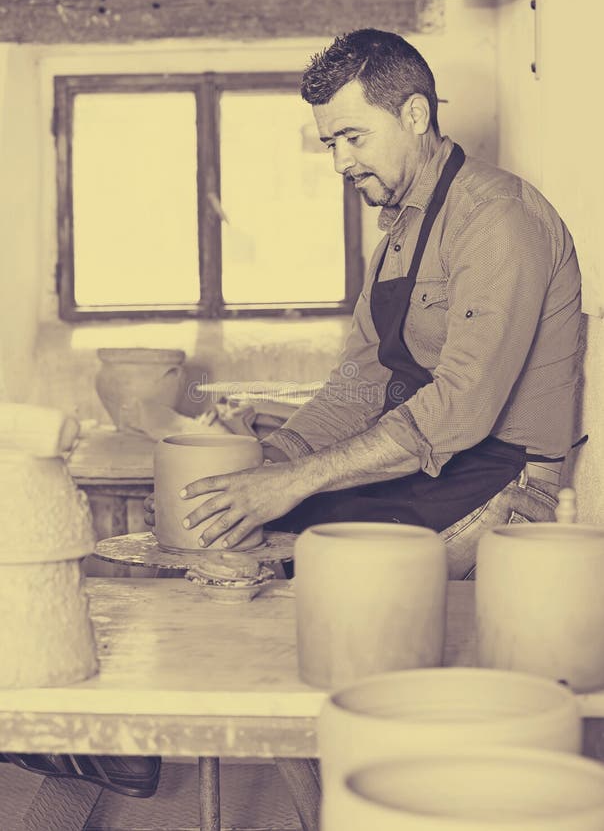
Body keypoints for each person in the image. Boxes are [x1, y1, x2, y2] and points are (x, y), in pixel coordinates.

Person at [146, 28, 581, 579]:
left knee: (318, 563)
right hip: (431, 466)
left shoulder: (496, 220)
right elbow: (359, 385)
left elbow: (460, 410)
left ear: (416, 115)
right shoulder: (401, 233)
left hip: (503, 481)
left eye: (354, 137)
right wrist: (254, 469)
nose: (339, 162)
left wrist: (295, 481)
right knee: (255, 532)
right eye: (331, 143)